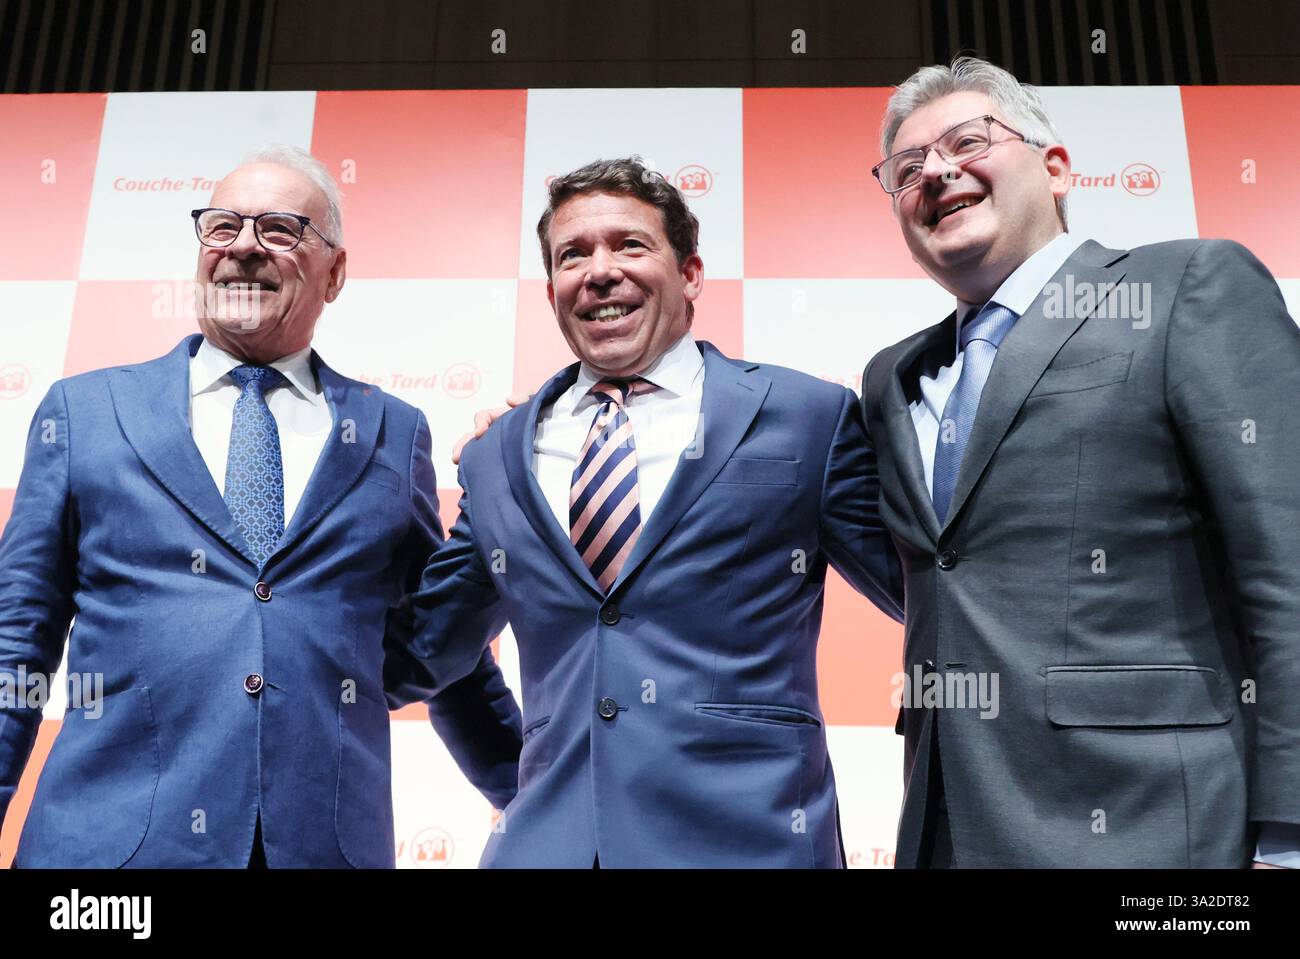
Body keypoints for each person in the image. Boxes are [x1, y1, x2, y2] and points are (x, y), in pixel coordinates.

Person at [0, 146, 521, 868]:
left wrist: (536, 801)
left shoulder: (393, 433)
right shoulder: (84, 411)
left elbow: (443, 654)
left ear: (335, 272)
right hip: (103, 866)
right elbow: (15, 643)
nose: (243, 246)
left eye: (279, 228)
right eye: (222, 227)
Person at [402, 157, 904, 867]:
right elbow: (427, 652)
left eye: (629, 245)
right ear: (552, 293)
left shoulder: (807, 419)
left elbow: (933, 593)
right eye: (573, 254)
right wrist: (525, 789)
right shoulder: (493, 457)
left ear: (691, 274)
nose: (599, 270)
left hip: (752, 846)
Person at [861, 57, 1300, 867]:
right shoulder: (891, 377)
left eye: (967, 141)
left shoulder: (1187, 285)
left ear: (1056, 167)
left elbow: (1287, 565)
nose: (937, 172)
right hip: (947, 824)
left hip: (1154, 827)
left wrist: (1288, 838)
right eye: (907, 168)